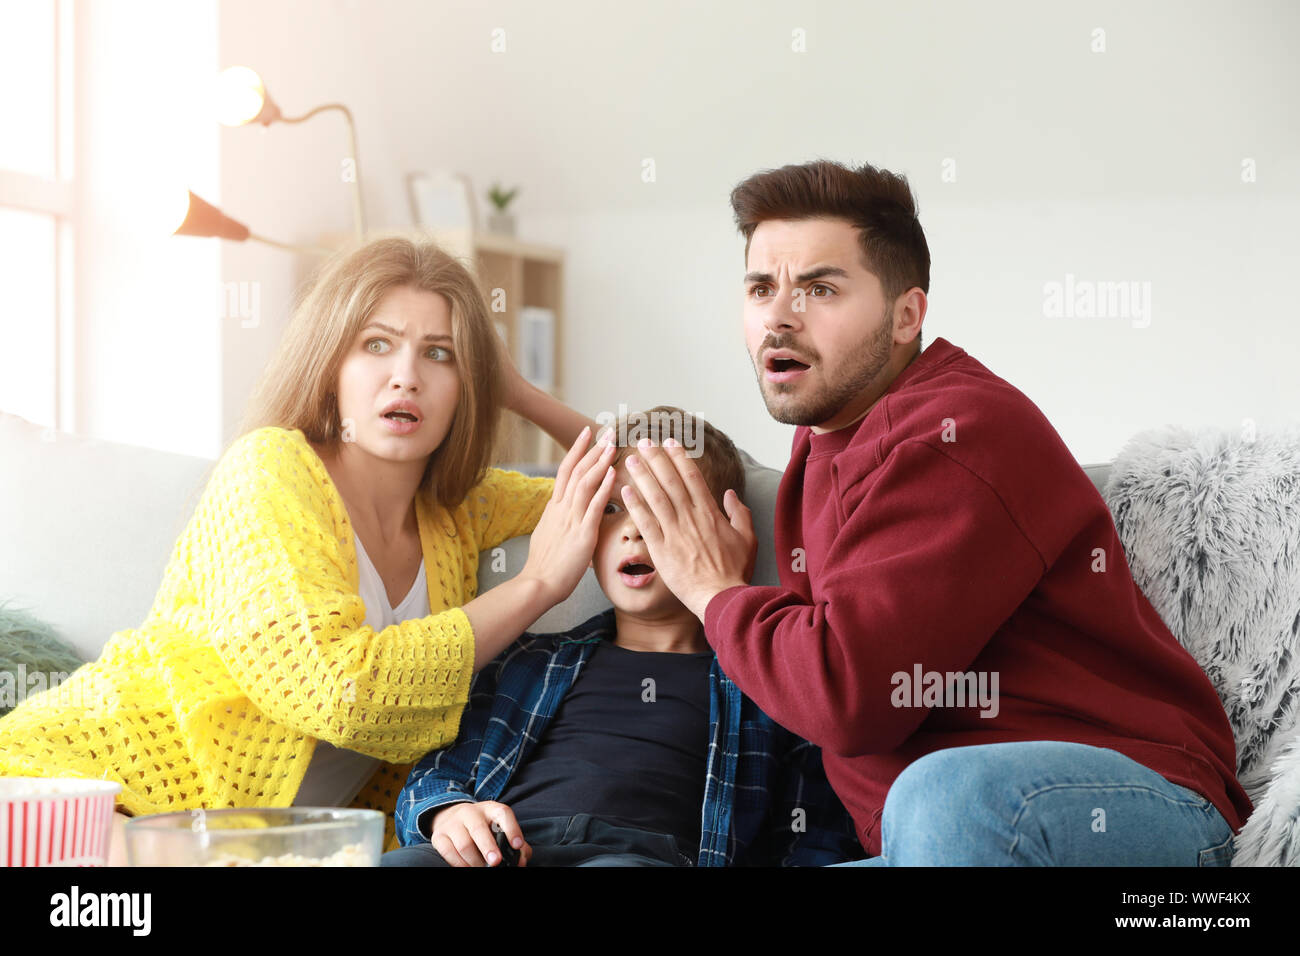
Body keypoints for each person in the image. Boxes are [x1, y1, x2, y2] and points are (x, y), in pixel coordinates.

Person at [616, 160, 1254, 866]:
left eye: (820, 288)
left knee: (944, 797)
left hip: (1129, 809)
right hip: (930, 845)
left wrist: (714, 591)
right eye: (761, 288)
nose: (779, 315)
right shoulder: (823, 443)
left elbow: (847, 695)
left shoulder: (960, 431)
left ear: (906, 316)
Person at [0, 236, 614, 863]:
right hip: (90, 786)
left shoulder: (461, 507)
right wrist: (535, 585)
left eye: (439, 354)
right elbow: (338, 690)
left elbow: (643, 482)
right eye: (377, 344)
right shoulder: (268, 473)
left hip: (272, 845)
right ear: (331, 364)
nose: (407, 374)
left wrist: (520, 392)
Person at [381, 407, 862, 867]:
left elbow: (815, 835)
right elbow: (434, 774)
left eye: (662, 506)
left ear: (728, 531)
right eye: (611, 508)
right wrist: (448, 813)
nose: (632, 529)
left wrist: (729, 595)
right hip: (505, 848)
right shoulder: (527, 658)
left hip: (637, 854)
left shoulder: (771, 678)